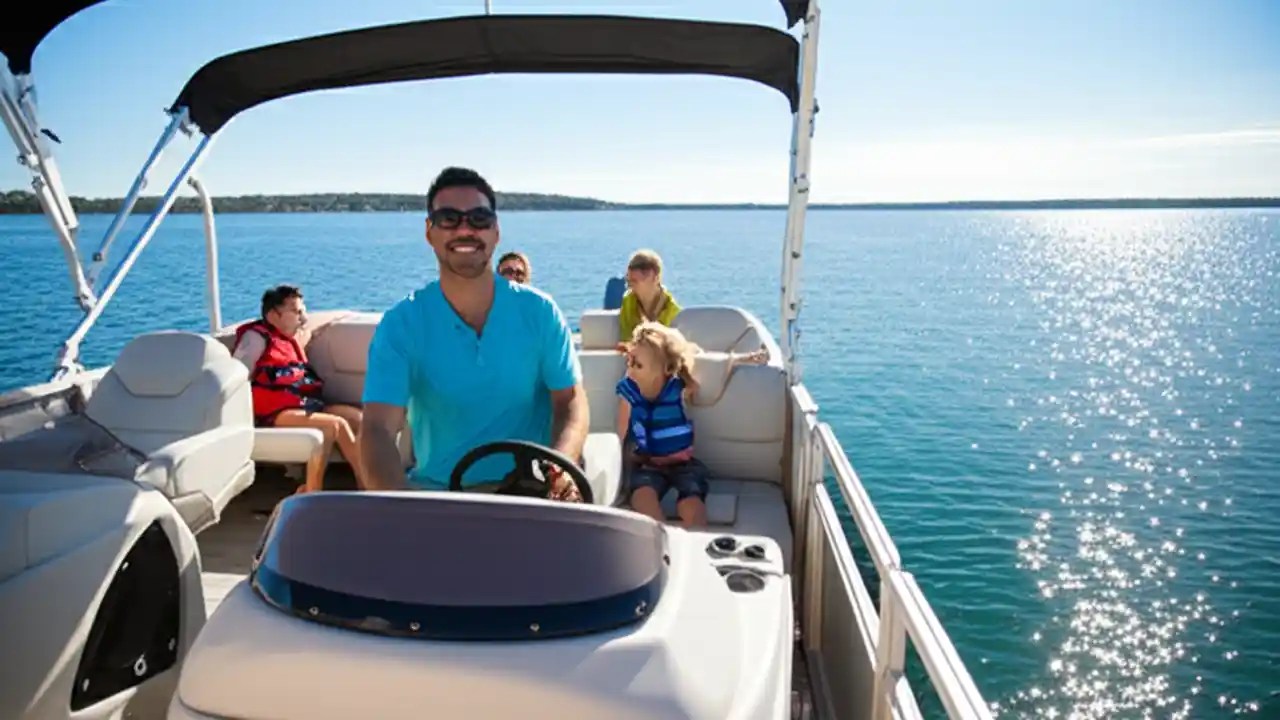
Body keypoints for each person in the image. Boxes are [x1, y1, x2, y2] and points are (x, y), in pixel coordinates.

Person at [359, 167, 589, 500]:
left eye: (479, 218)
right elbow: (378, 429)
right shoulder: (401, 325)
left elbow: (569, 401)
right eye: (449, 218)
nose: (465, 229)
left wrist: (560, 466)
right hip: (440, 497)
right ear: (430, 232)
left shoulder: (539, 312)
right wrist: (398, 504)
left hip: (532, 492)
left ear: (495, 231)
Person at [615, 322, 766, 527]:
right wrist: (622, 477)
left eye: (638, 364)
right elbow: (621, 433)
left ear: (666, 369)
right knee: (642, 498)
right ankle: (661, 540)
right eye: (630, 361)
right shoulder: (628, 392)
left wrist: (744, 358)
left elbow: (711, 364)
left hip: (684, 465)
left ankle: (694, 541)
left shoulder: (678, 386)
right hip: (648, 464)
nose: (630, 368)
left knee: (691, 502)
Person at [231, 285, 369, 493]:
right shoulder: (255, 339)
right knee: (333, 425)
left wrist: (342, 313)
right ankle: (321, 489)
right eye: (296, 312)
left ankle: (364, 481)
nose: (302, 318)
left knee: (358, 419)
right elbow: (235, 377)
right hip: (272, 414)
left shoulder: (291, 339)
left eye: (303, 311)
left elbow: (313, 324)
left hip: (305, 405)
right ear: (273, 316)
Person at [618, 249, 680, 344]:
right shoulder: (628, 302)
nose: (629, 286)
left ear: (655, 278)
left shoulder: (673, 311)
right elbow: (626, 340)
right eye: (628, 281)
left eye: (635, 281)